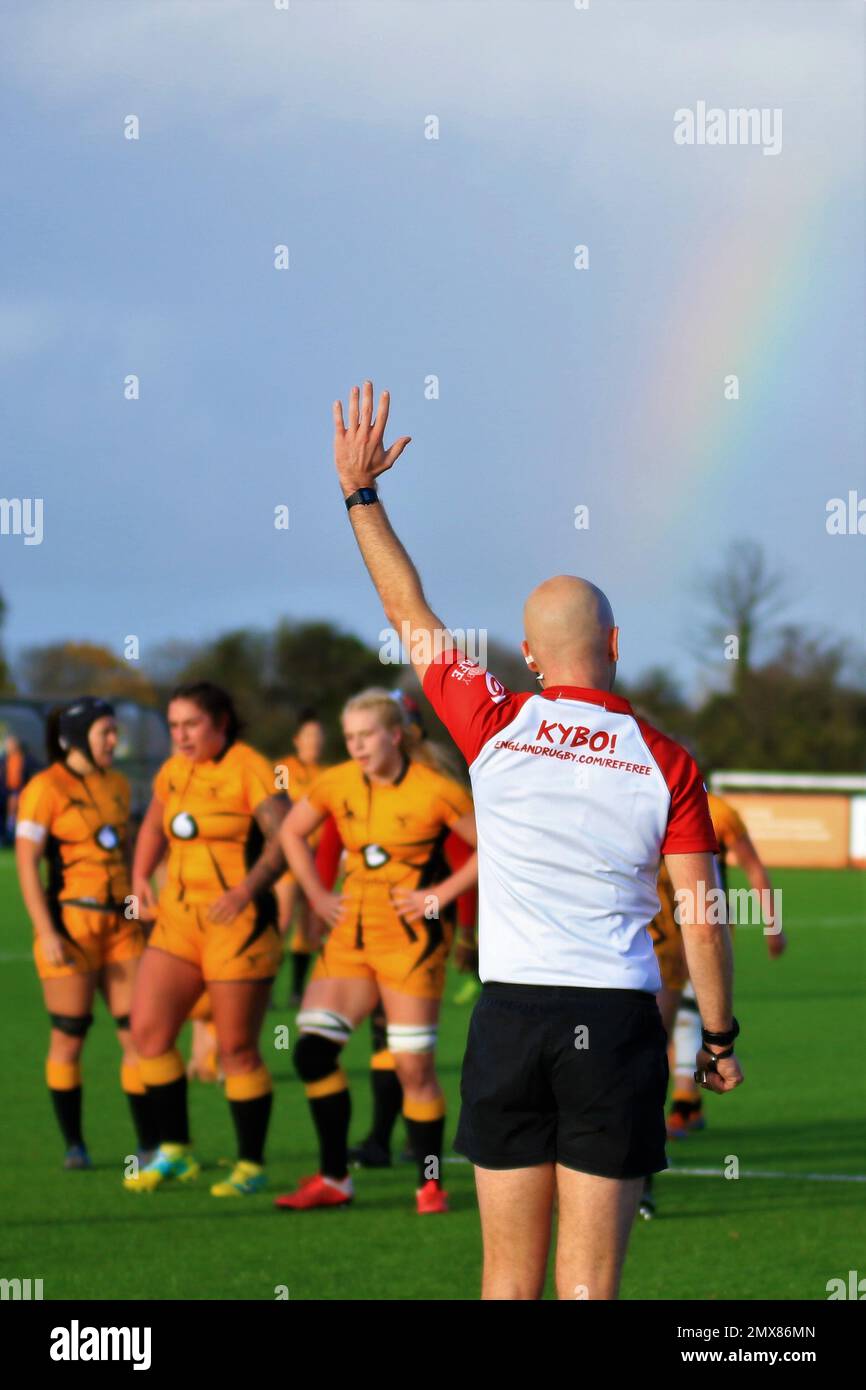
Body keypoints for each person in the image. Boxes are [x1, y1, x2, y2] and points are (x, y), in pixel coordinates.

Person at [319, 381, 743, 1299]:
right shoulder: (666, 761)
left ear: (528, 651)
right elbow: (702, 918)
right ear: (617, 643)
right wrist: (716, 1037)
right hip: (619, 1023)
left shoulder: (494, 721)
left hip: (509, 1020)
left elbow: (410, 615)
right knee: (588, 1289)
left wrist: (361, 495)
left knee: (505, 1287)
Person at [272, 686, 478, 1215]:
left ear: (394, 734)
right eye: (349, 738)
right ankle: (335, 1179)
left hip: (411, 944)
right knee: (313, 1053)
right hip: (348, 938)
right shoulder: (334, 782)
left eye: (366, 736)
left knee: (413, 1069)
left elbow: (494, 846)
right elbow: (292, 834)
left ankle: (429, 1184)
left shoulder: (435, 789)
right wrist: (317, 895)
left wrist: (441, 896)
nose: (357, 747)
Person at [124, 683, 289, 1197]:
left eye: (190, 725)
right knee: (148, 1034)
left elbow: (286, 839)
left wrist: (246, 890)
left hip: (237, 924)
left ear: (220, 722)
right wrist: (138, 878)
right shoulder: (173, 771)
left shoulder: (250, 767)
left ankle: (251, 1165)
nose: (180, 736)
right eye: (173, 726)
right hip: (177, 921)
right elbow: (152, 826)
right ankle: (175, 1151)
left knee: (236, 1048)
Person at [14, 698, 157, 1169]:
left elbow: (129, 854)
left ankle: (150, 1144)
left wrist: (142, 908)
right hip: (71, 926)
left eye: (114, 731)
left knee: (136, 1035)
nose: (114, 740)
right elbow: (27, 865)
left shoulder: (117, 784)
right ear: (78, 738)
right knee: (69, 1038)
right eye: (105, 733)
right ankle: (75, 1144)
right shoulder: (44, 788)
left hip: (121, 927)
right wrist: (45, 931)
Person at [666, 791, 786, 1137]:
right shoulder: (647, 797)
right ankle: (684, 1101)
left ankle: (685, 1102)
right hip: (658, 924)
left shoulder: (719, 812)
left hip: (702, 924)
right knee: (668, 1011)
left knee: (686, 1013)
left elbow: (753, 867)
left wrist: (772, 925)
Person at [274, 709, 329, 1005]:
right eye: (309, 736)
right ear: (297, 740)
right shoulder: (283, 770)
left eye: (319, 737)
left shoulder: (328, 775)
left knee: (308, 928)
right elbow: (274, 810)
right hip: (288, 860)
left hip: (317, 861)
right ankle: (265, 987)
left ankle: (297, 991)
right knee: (281, 921)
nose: (314, 742)